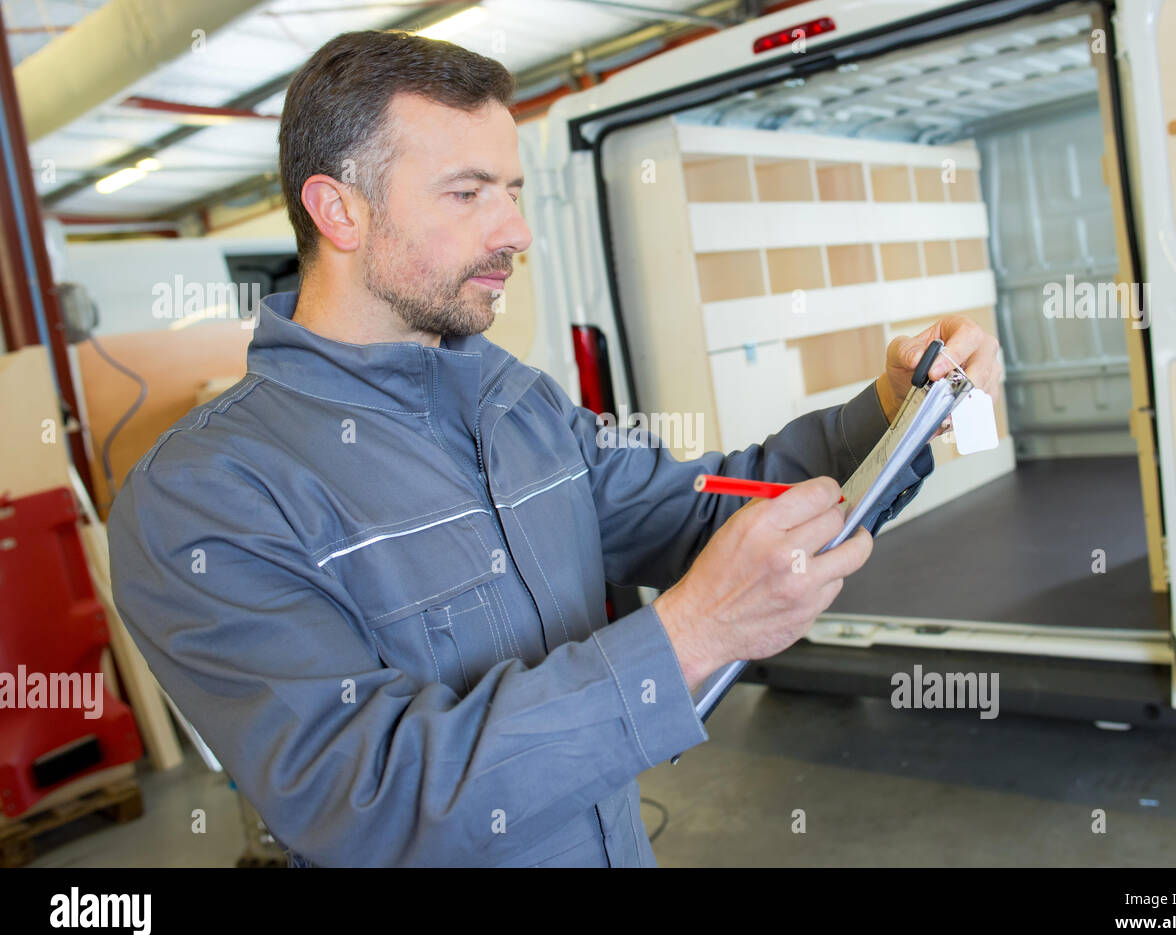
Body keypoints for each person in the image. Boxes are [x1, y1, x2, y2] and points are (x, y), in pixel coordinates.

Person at [107, 30, 1001, 867]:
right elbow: (364, 794)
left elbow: (702, 508)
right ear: (338, 209)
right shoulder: (204, 495)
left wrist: (892, 409)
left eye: (514, 192)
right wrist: (686, 636)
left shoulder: (513, 403)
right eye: (467, 194)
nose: (516, 233)